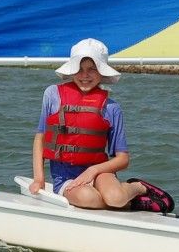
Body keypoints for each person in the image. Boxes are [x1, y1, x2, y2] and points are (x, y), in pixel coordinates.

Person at [29, 38, 155, 210]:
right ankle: (124, 200)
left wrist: (93, 171)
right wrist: (39, 179)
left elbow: (123, 159)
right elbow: (40, 139)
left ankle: (138, 188)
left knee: (116, 199)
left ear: (101, 72)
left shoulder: (112, 108)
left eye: (92, 69)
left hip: (100, 172)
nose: (84, 75)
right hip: (65, 177)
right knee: (89, 198)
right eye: (79, 69)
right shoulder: (52, 95)